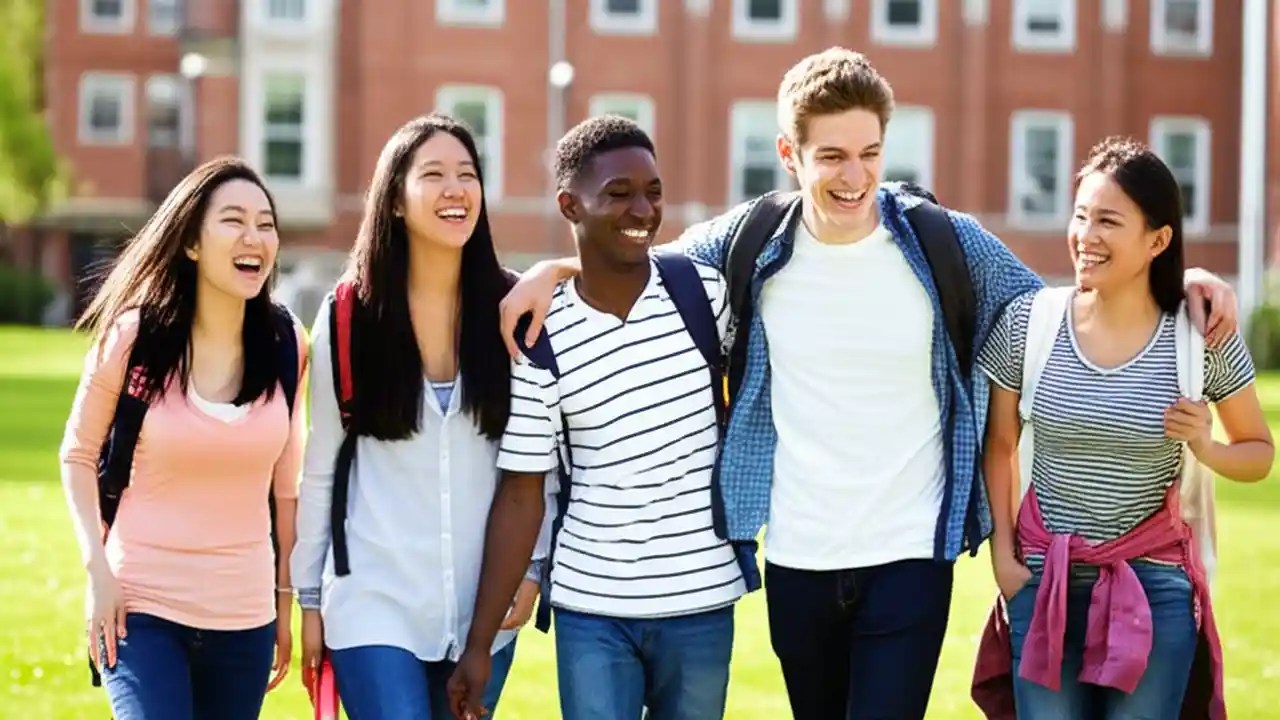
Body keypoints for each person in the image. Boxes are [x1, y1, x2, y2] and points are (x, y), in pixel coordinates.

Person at [494, 48, 1241, 719]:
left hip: (911, 554)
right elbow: (643, 261)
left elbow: (1057, 304)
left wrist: (1182, 278)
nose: (855, 177)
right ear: (790, 153)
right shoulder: (753, 242)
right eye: (832, 157)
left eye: (870, 153)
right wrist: (551, 269)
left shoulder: (941, 240)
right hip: (798, 556)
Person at [447, 115, 748, 720]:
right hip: (592, 609)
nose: (642, 210)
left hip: (702, 600)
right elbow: (522, 493)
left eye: (653, 192)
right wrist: (479, 645)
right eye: (618, 194)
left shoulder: (704, 296)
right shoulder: (540, 333)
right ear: (570, 204)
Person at [971, 136, 1272, 719]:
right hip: (1044, 582)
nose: (1087, 236)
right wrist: (1004, 560)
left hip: (1153, 590)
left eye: (1108, 220)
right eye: (1081, 215)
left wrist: (1205, 444)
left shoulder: (1198, 338)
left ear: (1158, 240)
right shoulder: (1029, 324)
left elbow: (1259, 453)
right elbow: (1000, 447)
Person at [290, 113, 547, 720]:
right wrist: (306, 598)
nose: (455, 189)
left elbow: (544, 461)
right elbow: (321, 466)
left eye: (467, 174)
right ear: (397, 201)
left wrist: (533, 569)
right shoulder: (348, 317)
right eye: (433, 174)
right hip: (373, 600)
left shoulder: (516, 311)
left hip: (485, 609)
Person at [58, 156, 307, 719]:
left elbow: (286, 488)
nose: (255, 238)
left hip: (243, 621)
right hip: (141, 609)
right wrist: (98, 573)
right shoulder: (134, 337)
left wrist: (284, 603)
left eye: (266, 224)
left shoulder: (288, 342)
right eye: (234, 221)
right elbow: (76, 453)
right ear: (191, 243)